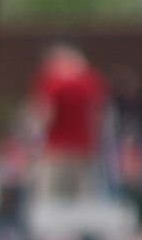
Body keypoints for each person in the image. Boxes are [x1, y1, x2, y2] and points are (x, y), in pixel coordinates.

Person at [27, 44, 106, 202]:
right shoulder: (91, 81)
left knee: (49, 199)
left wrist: (33, 142)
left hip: (56, 150)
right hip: (83, 151)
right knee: (81, 200)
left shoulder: (52, 82)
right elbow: (97, 116)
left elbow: (46, 116)